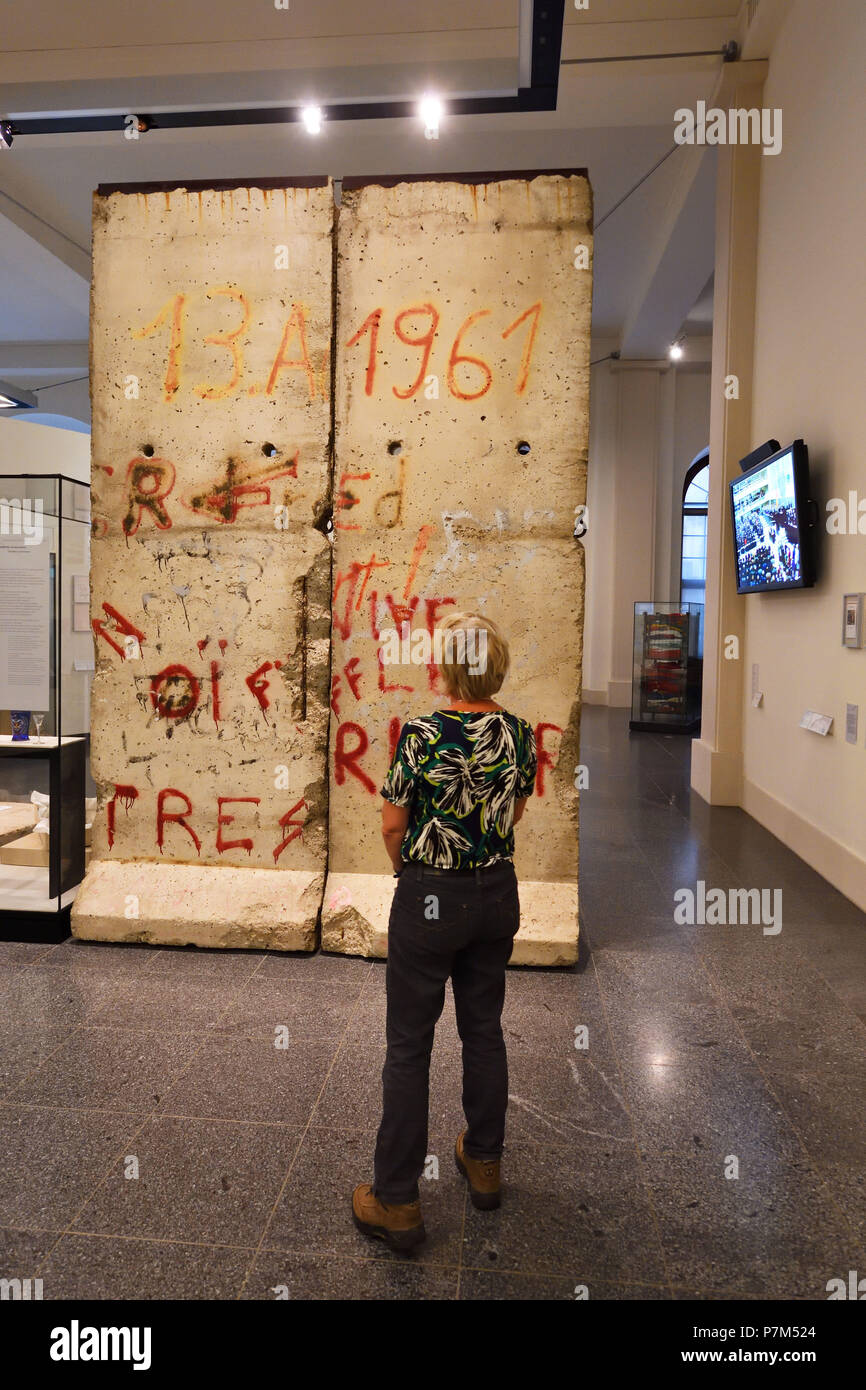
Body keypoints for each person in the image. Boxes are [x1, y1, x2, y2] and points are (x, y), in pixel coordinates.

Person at [352, 611, 537, 1252]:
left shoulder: (423, 733)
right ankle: (485, 1163)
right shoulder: (519, 733)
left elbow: (390, 826)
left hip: (431, 898)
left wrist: (412, 874)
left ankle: (397, 1201)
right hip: (497, 896)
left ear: (450, 667)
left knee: (409, 1044)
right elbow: (512, 812)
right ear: (499, 664)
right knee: (483, 1028)